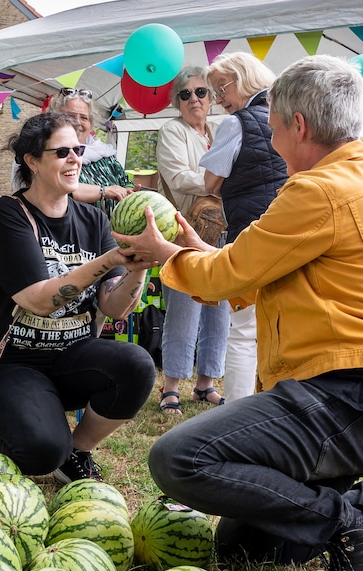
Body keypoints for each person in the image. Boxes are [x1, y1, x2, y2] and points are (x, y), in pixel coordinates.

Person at [114, 55, 363, 571]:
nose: (269, 141)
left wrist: (164, 256)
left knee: (179, 460)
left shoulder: (318, 192)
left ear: (298, 125)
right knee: (250, 544)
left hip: (350, 400)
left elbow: (227, 277)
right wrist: (193, 251)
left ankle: (358, 532)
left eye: (271, 127)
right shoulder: (361, 180)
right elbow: (251, 270)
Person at [0, 112, 156, 483]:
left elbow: (113, 306)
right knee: (40, 452)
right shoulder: (11, 213)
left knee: (136, 365)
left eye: (78, 149)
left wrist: (139, 265)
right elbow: (38, 300)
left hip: (74, 355)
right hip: (15, 362)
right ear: (32, 161)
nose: (75, 159)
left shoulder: (94, 220)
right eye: (62, 152)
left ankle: (76, 450)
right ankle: (12, 425)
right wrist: (109, 259)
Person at [198, 52, 289, 402]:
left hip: (251, 234)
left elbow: (210, 183)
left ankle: (236, 410)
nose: (217, 99)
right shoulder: (285, 116)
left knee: (244, 330)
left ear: (244, 78)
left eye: (221, 88)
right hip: (289, 228)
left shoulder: (237, 123)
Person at [154, 67, 230, 414]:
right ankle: (171, 386)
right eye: (185, 94)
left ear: (211, 98)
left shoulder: (218, 131)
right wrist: (220, 180)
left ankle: (205, 384)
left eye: (201, 92)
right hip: (184, 228)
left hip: (221, 230)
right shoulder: (172, 130)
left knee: (219, 309)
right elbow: (178, 177)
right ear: (177, 103)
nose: (194, 99)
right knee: (184, 309)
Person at [45, 88, 136, 215]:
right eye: (70, 116)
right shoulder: (51, 153)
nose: (77, 122)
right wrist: (106, 191)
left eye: (84, 118)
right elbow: (61, 190)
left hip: (112, 232)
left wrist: (131, 194)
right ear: (54, 119)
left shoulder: (105, 154)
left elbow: (125, 183)